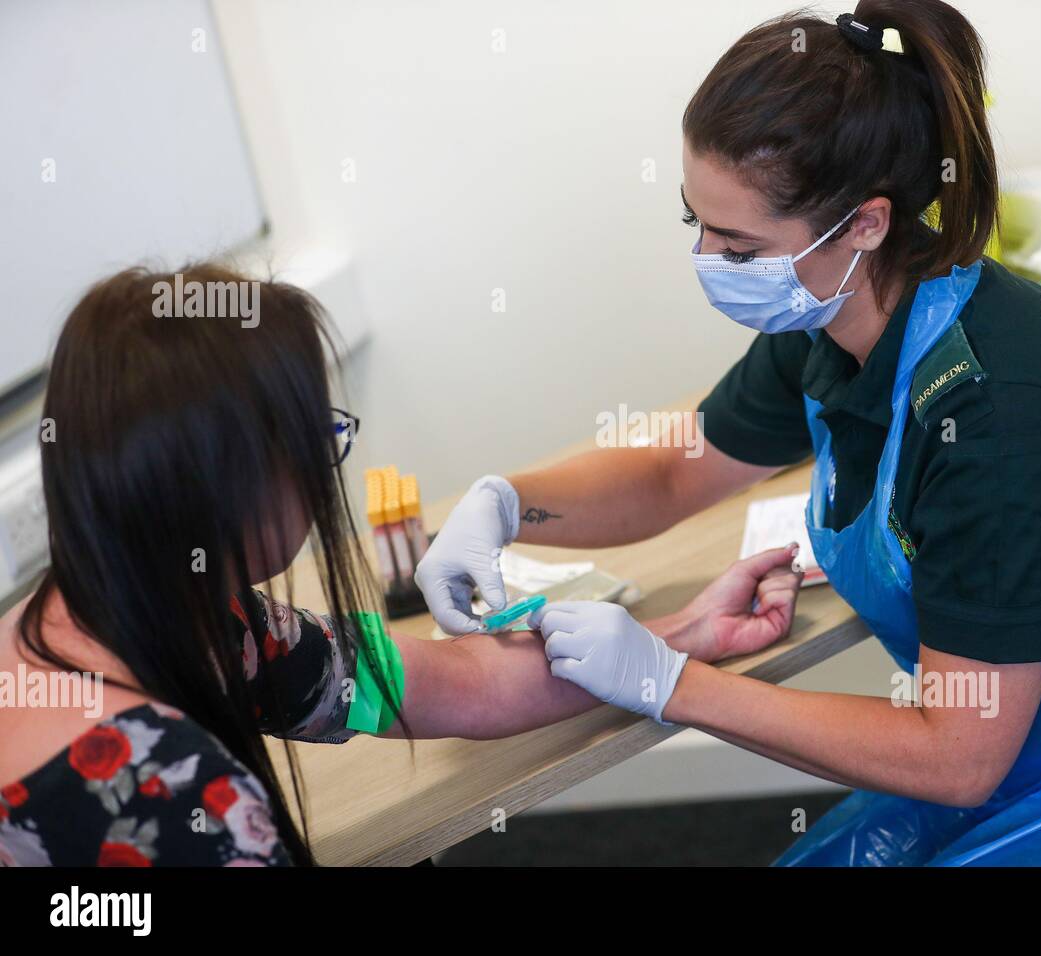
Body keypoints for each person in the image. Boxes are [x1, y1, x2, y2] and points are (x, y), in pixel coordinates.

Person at [416, 1, 1041, 865]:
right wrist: (506, 503)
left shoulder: (995, 411)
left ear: (866, 223)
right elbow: (669, 473)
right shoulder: (831, 320)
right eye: (697, 224)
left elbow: (956, 757)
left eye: (737, 245)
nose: (708, 265)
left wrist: (670, 684)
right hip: (1034, 736)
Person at [0, 264, 800, 866]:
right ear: (232, 480)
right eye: (318, 441)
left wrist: (682, 634)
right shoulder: (166, 795)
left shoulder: (181, 615)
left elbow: (451, 684)